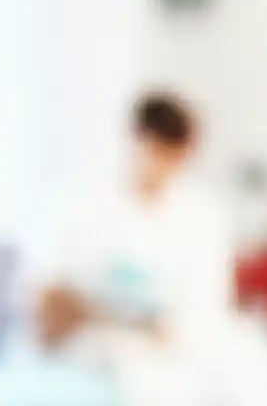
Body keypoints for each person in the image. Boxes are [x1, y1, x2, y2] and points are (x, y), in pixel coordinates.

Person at [28, 91, 238, 405]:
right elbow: (50, 303)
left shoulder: (202, 216)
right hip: (94, 351)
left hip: (172, 352)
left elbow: (206, 312)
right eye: (153, 147)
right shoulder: (81, 205)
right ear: (136, 139)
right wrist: (108, 315)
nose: (158, 160)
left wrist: (161, 330)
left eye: (170, 152)